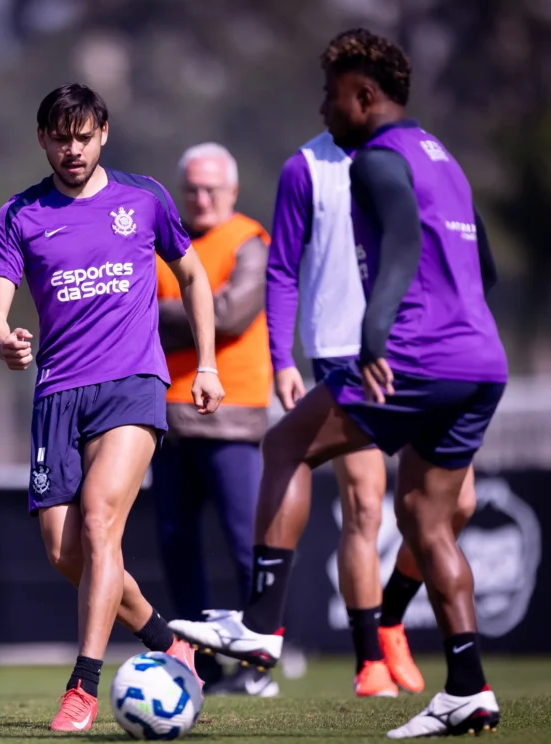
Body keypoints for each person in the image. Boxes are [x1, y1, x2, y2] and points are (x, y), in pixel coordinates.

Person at [170, 29, 503, 738]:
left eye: (330, 95)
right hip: (481, 360)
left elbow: (402, 250)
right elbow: (487, 268)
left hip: (414, 357)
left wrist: (379, 335)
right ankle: (469, 685)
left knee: (285, 445)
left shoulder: (376, 160)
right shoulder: (444, 158)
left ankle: (261, 625)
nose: (324, 108)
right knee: (424, 516)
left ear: (364, 95)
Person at [0, 83, 225, 732]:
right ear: (42, 140)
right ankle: (169, 640)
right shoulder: (19, 214)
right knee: (67, 552)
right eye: (60, 137)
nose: (72, 149)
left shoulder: (143, 198)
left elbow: (194, 274)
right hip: (58, 393)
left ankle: (83, 684)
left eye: (83, 136)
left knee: (98, 522)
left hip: (133, 385)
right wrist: (2, 337)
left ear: (103, 133)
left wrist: (204, 364)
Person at [268, 128, 478, 697]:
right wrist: (280, 356)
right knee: (364, 505)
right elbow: (283, 267)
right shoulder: (306, 166)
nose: (327, 104)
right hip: (342, 348)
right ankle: (370, 663)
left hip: (417, 346)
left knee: (458, 504)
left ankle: (391, 617)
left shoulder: (414, 154)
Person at [152, 143, 278, 697]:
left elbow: (230, 313)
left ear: (232, 192)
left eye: (212, 189)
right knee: (177, 551)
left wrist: (152, 315)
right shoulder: (164, 240)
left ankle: (259, 667)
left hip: (234, 420)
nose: (201, 198)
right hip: (168, 422)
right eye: (193, 188)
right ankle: (202, 668)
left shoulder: (250, 240)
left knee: (246, 544)